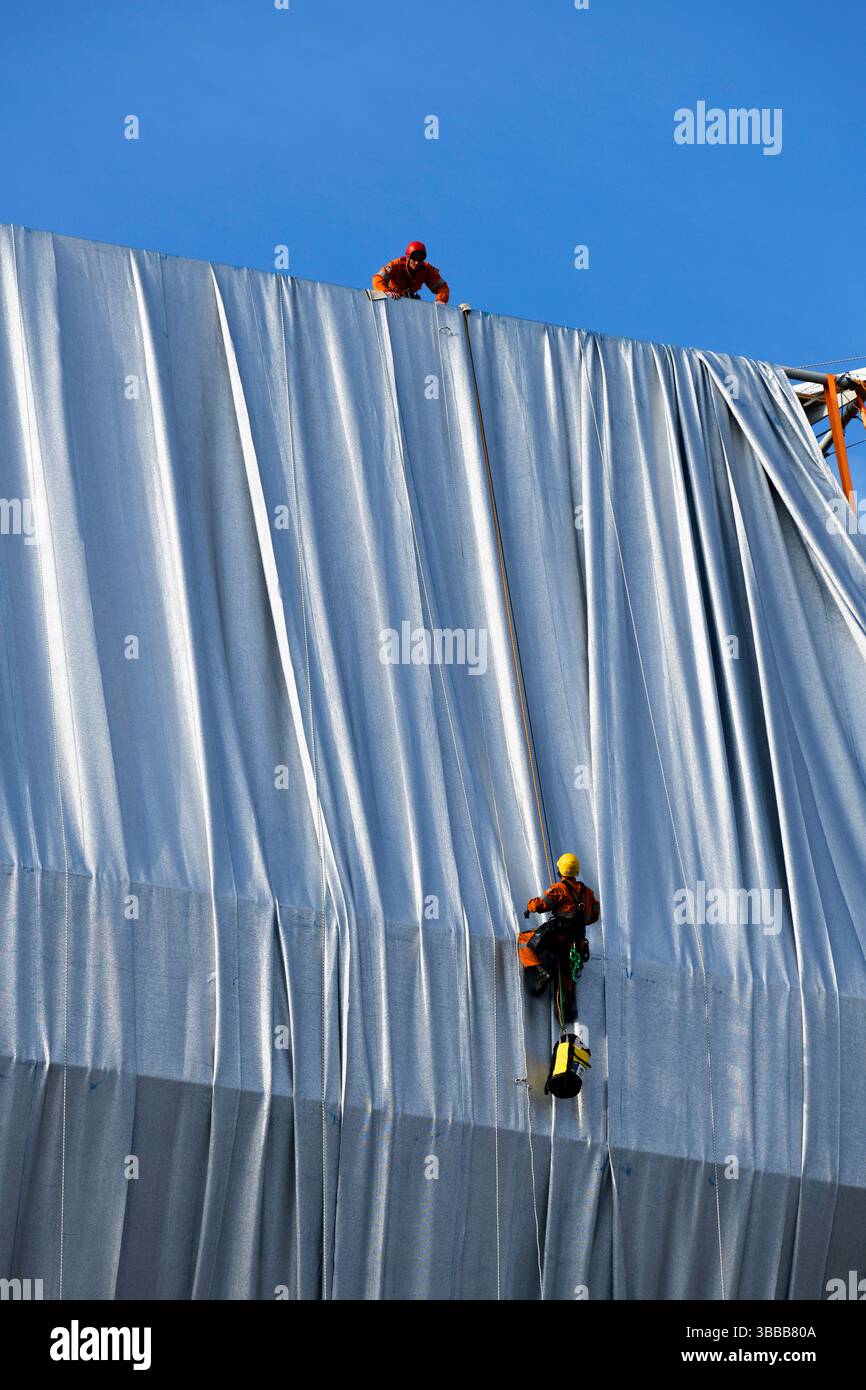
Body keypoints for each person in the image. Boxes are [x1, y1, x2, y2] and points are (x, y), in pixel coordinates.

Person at [519, 854, 600, 1011]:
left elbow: (540, 905)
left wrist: (529, 907)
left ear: (560, 870)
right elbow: (593, 916)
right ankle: (566, 1002)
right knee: (567, 971)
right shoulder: (588, 893)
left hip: (558, 938)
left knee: (523, 939)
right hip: (578, 942)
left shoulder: (558, 889)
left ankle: (538, 971)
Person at [372, 241, 450, 303]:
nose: (417, 263)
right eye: (414, 259)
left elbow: (442, 287)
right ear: (408, 257)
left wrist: (441, 300)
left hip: (409, 303)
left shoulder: (427, 270)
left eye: (420, 260)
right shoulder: (396, 265)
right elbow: (377, 278)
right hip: (392, 300)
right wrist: (385, 292)